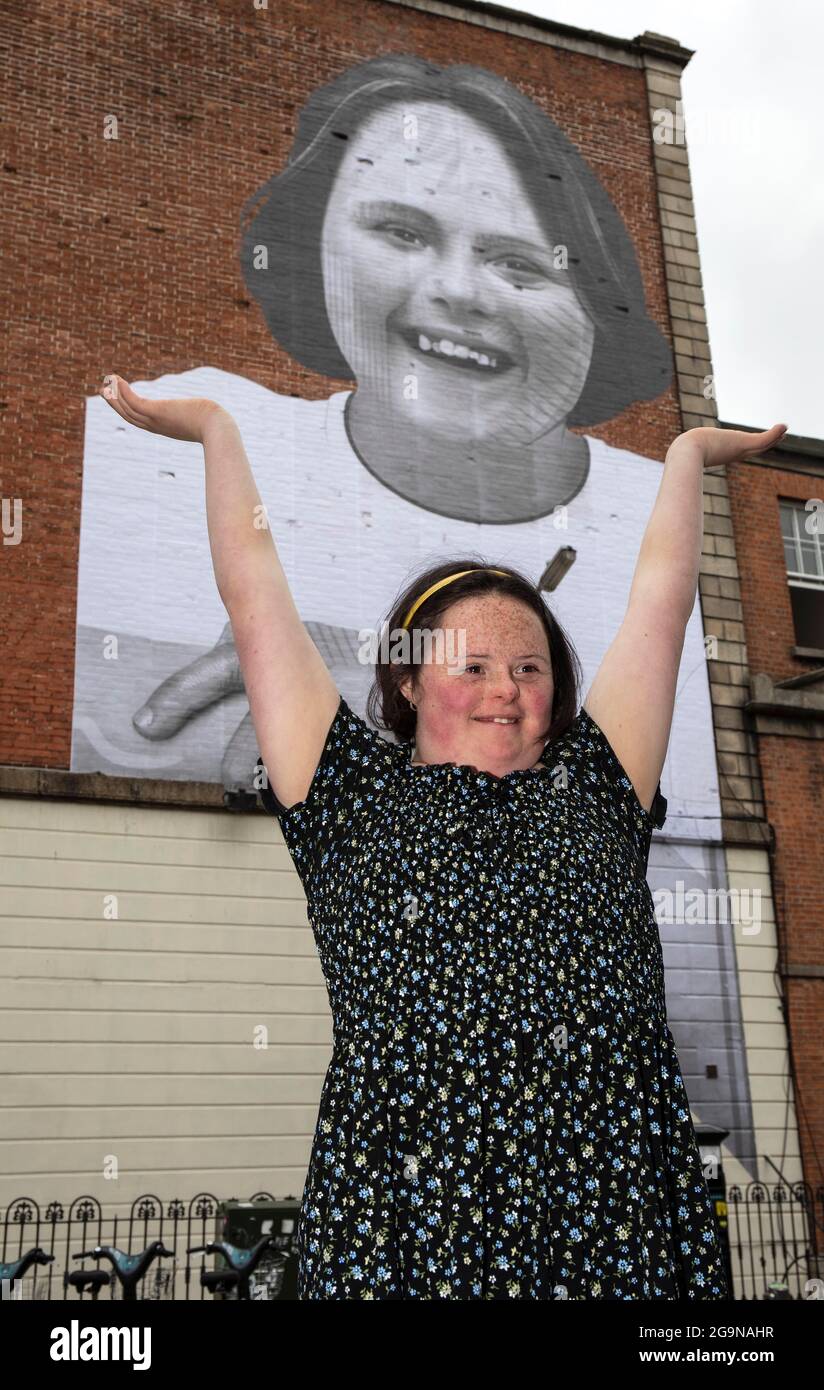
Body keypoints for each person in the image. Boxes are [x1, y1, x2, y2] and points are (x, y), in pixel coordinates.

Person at [98, 371, 786, 1298]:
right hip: (407, 1225)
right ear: (411, 683)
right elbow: (255, 593)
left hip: (614, 1214)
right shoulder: (347, 796)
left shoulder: (597, 787)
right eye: (474, 664)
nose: (507, 686)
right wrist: (219, 432)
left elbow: (661, 601)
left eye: (531, 668)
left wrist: (687, 455)